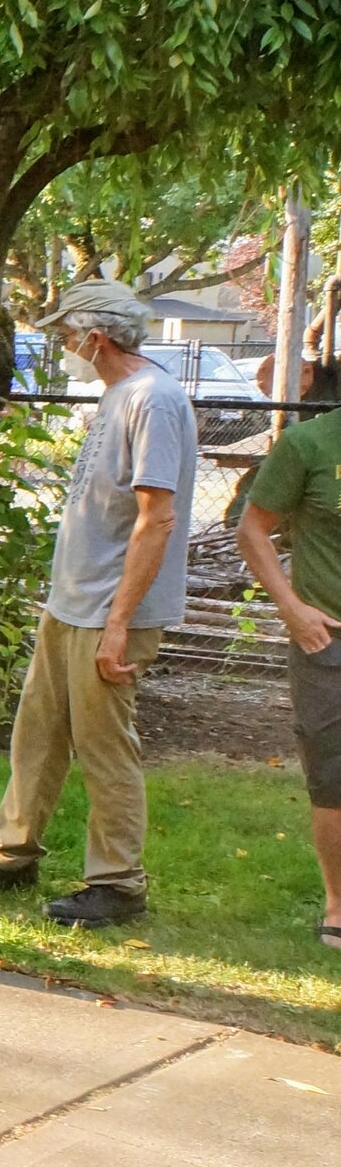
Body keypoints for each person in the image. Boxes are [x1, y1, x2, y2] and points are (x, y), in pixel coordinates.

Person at [0, 279, 195, 925]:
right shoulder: (118, 394)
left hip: (110, 612)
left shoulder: (153, 400)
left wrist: (119, 624)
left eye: (66, 336)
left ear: (95, 337)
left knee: (105, 748)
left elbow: (156, 518)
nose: (65, 347)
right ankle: (10, 855)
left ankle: (118, 883)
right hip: (72, 603)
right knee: (39, 735)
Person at [233, 407, 341, 953]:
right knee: (334, 777)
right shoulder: (310, 444)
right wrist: (293, 609)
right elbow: (252, 529)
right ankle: (339, 905)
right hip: (330, 641)